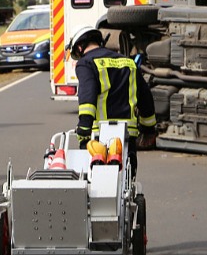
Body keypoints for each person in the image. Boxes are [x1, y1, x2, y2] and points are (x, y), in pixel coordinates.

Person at [66, 26, 157, 177]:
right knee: (126, 180)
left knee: (97, 182)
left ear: (80, 47)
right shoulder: (128, 62)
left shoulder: (86, 63)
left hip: (99, 135)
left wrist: (84, 128)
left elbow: (87, 96)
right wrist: (149, 130)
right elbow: (145, 98)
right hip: (128, 134)